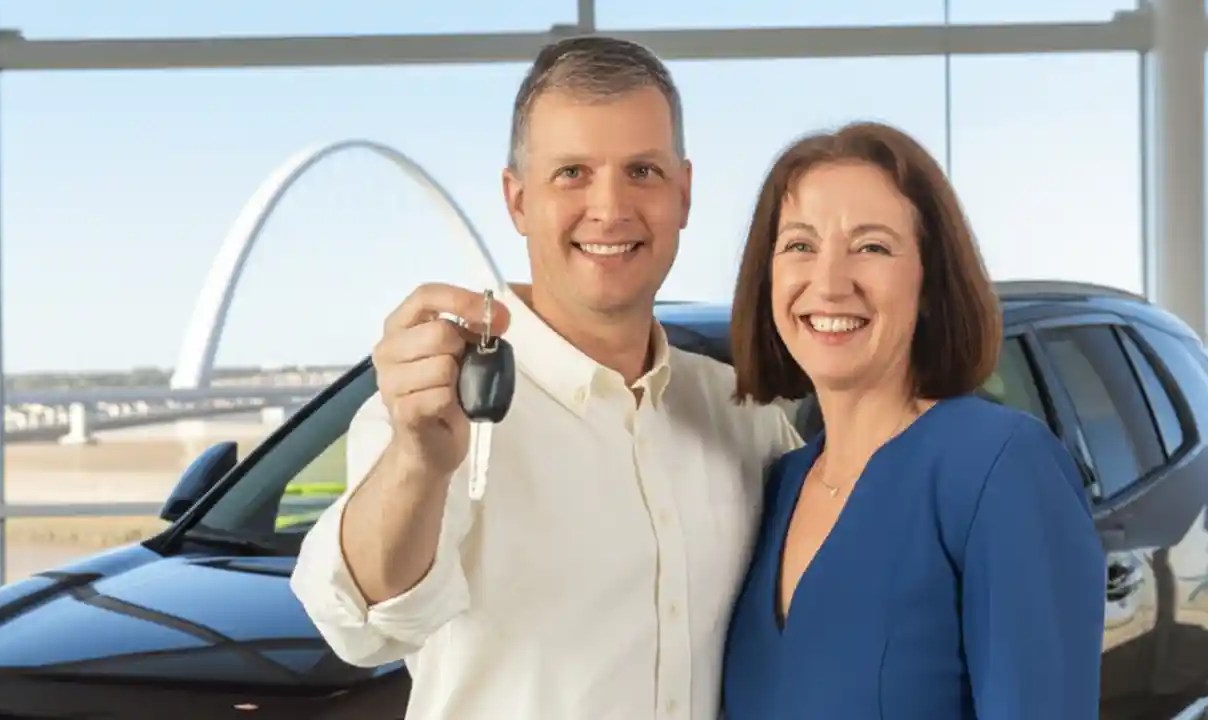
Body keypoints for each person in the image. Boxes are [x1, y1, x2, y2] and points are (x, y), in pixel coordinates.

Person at [289, 35, 804, 720]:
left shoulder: (745, 419)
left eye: (642, 171)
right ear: (517, 201)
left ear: (683, 194)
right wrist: (418, 462)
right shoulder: (437, 410)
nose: (610, 208)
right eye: (572, 173)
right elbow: (365, 622)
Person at [720, 121, 1106, 719]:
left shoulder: (998, 468)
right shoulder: (776, 487)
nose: (829, 282)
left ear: (929, 282)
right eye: (800, 245)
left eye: (871, 247)